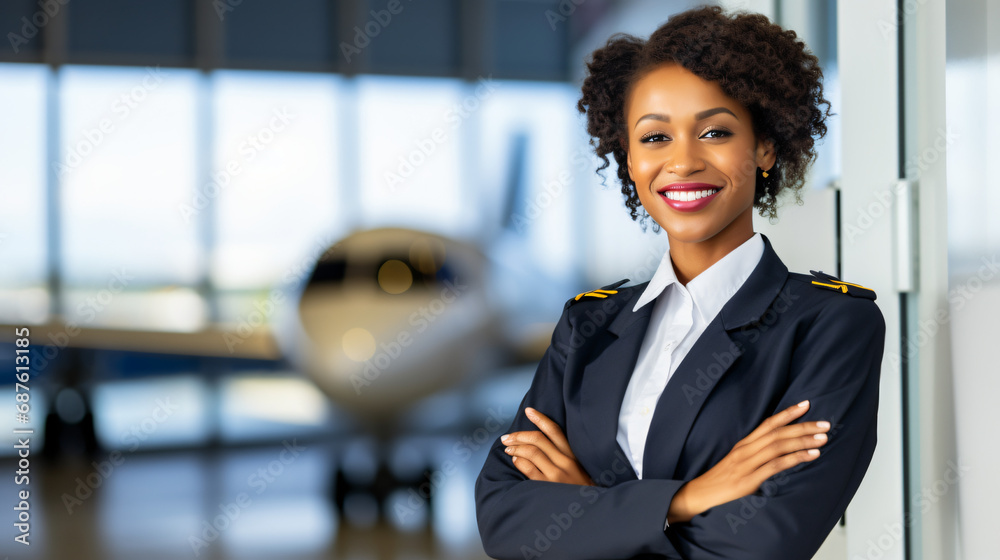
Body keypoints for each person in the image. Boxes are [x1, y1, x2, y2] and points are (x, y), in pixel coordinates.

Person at [474, 5, 886, 560]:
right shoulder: (589, 324)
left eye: (715, 131)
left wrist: (587, 506)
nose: (683, 162)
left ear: (764, 146)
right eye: (655, 137)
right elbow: (505, 519)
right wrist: (687, 500)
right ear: (629, 158)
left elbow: (758, 546)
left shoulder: (829, 325)